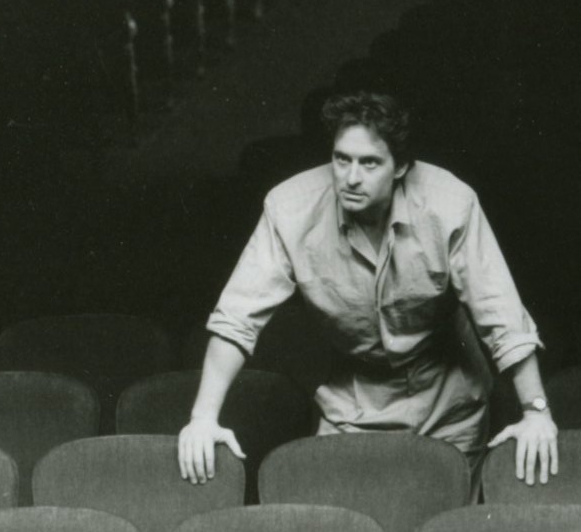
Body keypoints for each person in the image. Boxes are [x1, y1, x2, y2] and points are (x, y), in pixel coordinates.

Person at [177, 91, 559, 487]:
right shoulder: (289, 208)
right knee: (341, 518)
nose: (351, 178)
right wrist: (202, 418)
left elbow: (502, 315)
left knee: (439, 517)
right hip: (352, 402)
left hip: (449, 401)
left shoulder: (450, 204)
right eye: (342, 159)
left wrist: (536, 411)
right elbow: (237, 319)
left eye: (370, 162)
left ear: (401, 166)